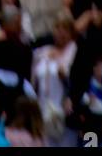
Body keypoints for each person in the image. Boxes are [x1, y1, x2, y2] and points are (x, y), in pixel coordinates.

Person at [32, 13, 77, 145]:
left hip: (63, 114)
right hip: (42, 111)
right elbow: (34, 81)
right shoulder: (41, 53)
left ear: (71, 33)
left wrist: (65, 78)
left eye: (65, 29)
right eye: (58, 28)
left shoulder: (74, 53)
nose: (61, 33)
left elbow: (78, 82)